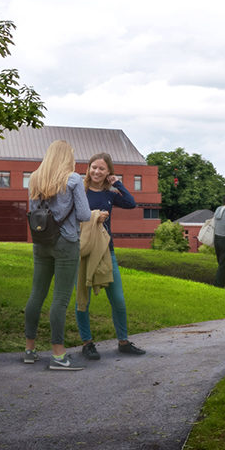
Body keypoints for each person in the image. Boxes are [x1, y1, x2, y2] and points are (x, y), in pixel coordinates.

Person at [21, 138, 99, 370]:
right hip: (66, 242)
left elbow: (35, 212)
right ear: (68, 157)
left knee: (36, 294)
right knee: (61, 299)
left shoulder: (35, 178)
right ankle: (58, 355)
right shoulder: (73, 179)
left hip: (41, 242)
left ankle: (29, 349)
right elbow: (84, 215)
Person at [75, 152, 144, 358]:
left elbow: (131, 203)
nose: (96, 171)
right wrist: (94, 217)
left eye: (102, 169)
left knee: (118, 300)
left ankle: (123, 341)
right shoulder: (80, 191)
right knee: (83, 299)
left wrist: (118, 183)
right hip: (83, 250)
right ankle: (87, 343)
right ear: (88, 169)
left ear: (108, 172)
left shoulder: (110, 195)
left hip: (107, 251)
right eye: (93, 167)